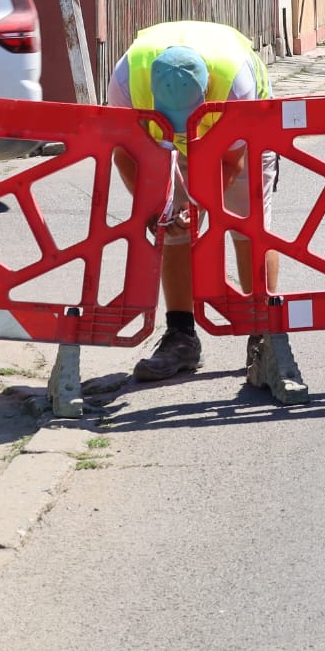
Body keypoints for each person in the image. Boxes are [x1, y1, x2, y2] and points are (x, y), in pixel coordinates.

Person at [106, 21, 278, 383]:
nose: (183, 130)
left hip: (243, 137)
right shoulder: (126, 82)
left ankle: (265, 334)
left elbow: (233, 163)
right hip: (162, 143)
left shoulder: (236, 85)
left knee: (249, 227)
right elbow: (124, 155)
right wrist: (158, 207)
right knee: (172, 229)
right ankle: (181, 337)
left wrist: (200, 204)